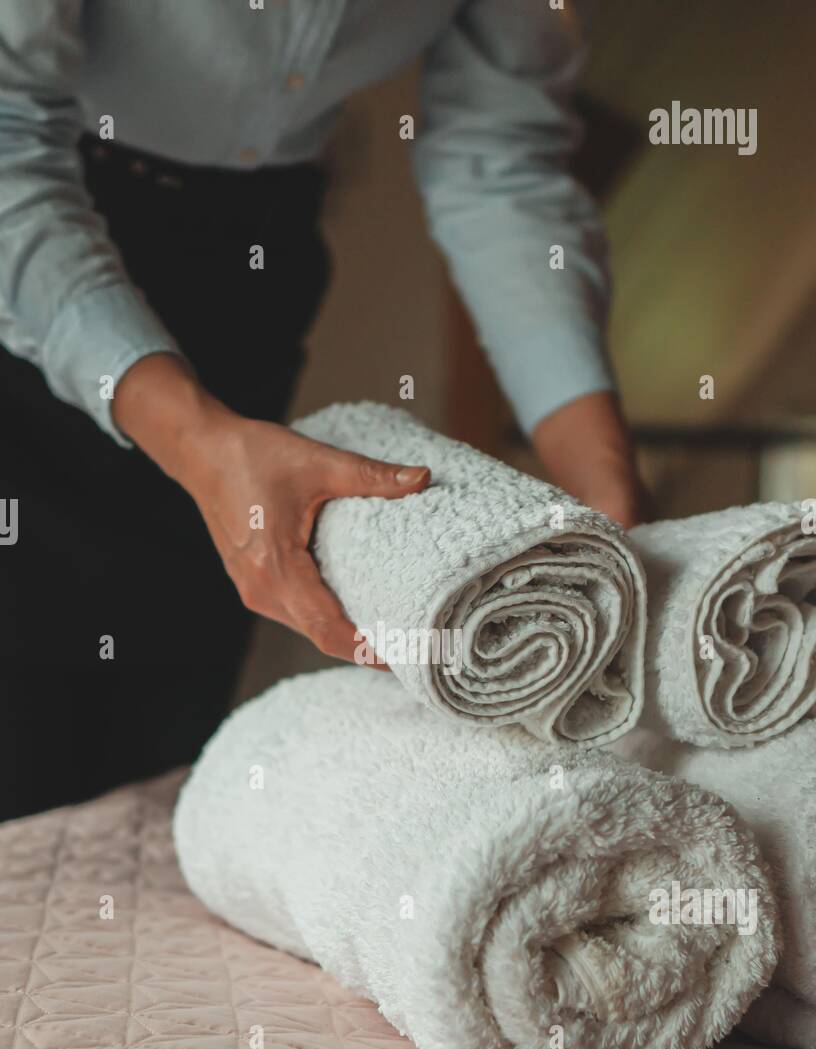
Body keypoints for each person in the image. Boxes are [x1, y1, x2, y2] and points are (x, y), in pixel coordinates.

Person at [0, 0, 645, 821]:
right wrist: (202, 444)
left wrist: (607, 486)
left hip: (243, 271)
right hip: (31, 251)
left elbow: (500, 160)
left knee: (162, 759)